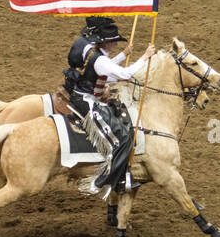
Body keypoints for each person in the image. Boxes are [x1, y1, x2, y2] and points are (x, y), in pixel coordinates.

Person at [59, 16, 155, 199]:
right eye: (114, 42)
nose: (115, 44)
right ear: (106, 43)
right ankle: (102, 181)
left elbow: (108, 74)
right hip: (87, 103)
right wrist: (145, 56)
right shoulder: (100, 60)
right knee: (123, 139)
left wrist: (123, 55)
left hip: (82, 97)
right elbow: (124, 74)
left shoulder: (95, 56)